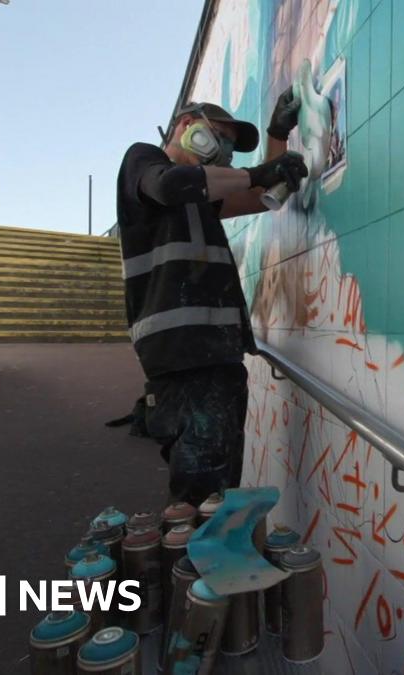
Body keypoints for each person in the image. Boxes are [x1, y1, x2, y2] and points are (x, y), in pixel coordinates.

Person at [115, 90, 307, 504]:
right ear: (186, 126)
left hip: (213, 355)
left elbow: (259, 196)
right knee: (202, 488)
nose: (222, 151)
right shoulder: (145, 162)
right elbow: (171, 186)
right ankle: (189, 563)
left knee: (214, 479)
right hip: (184, 356)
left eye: (229, 148)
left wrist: (278, 136)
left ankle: (197, 558)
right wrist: (256, 172)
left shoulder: (201, 199)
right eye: (217, 136)